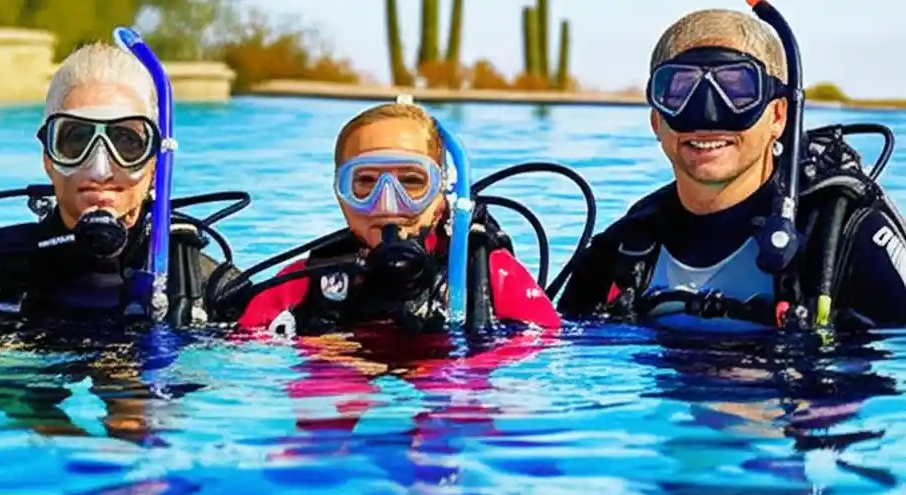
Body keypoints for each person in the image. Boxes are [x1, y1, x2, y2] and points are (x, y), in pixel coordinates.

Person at [556, 6, 906, 332]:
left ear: (779, 116)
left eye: (738, 90)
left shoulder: (846, 238)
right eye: (680, 91)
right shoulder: (625, 249)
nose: (708, 115)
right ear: (656, 120)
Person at [0, 41, 241, 331]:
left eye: (127, 143)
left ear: (155, 163)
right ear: (48, 159)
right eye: (75, 140)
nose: (99, 169)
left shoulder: (210, 293)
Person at [214, 99, 564, 337]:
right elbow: (242, 352)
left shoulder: (489, 276)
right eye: (365, 182)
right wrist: (323, 355)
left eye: (411, 182)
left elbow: (543, 354)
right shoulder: (304, 283)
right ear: (340, 191)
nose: (386, 201)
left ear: (443, 190)